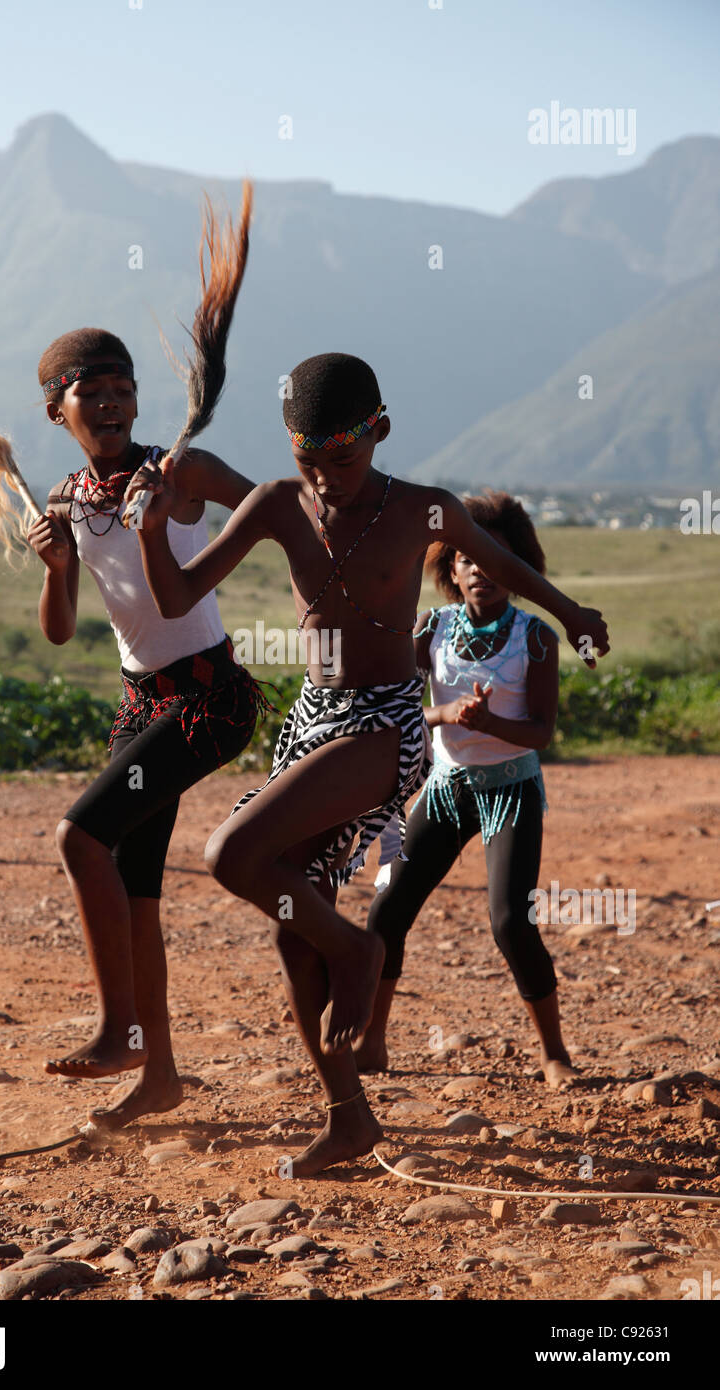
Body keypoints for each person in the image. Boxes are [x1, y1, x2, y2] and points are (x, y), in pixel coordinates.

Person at [129, 352, 608, 1172]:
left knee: (231, 854)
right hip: (314, 721)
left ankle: (360, 952)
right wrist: (150, 532)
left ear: (378, 431)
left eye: (342, 459)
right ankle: (349, 1116)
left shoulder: (423, 510)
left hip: (387, 724)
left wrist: (570, 614)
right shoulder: (281, 505)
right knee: (293, 923)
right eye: (308, 461)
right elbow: (176, 596)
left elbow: (506, 565)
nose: (327, 479)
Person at [27, 327, 268, 1130]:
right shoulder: (67, 501)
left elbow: (276, 508)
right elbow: (61, 631)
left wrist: (337, 587)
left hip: (210, 700)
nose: (110, 405)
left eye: (123, 391)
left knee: (77, 838)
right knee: (136, 890)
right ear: (56, 410)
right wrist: (58, 571)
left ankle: (116, 1031)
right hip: (140, 709)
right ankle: (159, 1073)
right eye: (91, 394)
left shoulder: (180, 472)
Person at [357, 491, 576, 1089]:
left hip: (511, 790)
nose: (482, 569)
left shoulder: (536, 639)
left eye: (497, 558)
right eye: (469, 559)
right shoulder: (432, 629)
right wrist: (443, 714)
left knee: (511, 921)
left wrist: (488, 725)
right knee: (388, 909)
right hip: (448, 786)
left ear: (518, 568)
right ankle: (371, 1042)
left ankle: (553, 1053)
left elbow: (541, 732)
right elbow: (398, 703)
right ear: (451, 570)